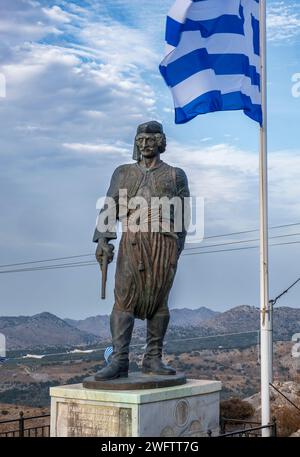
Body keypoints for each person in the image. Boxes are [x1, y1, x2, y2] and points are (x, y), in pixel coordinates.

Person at [93, 121, 190, 380]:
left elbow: (183, 214)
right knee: (123, 297)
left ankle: (153, 358)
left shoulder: (175, 175)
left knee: (159, 301)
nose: (145, 144)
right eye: (141, 140)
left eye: (150, 139)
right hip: (133, 240)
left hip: (163, 243)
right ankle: (119, 360)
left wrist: (176, 247)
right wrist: (103, 240)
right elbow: (109, 207)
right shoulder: (123, 173)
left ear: (161, 141)